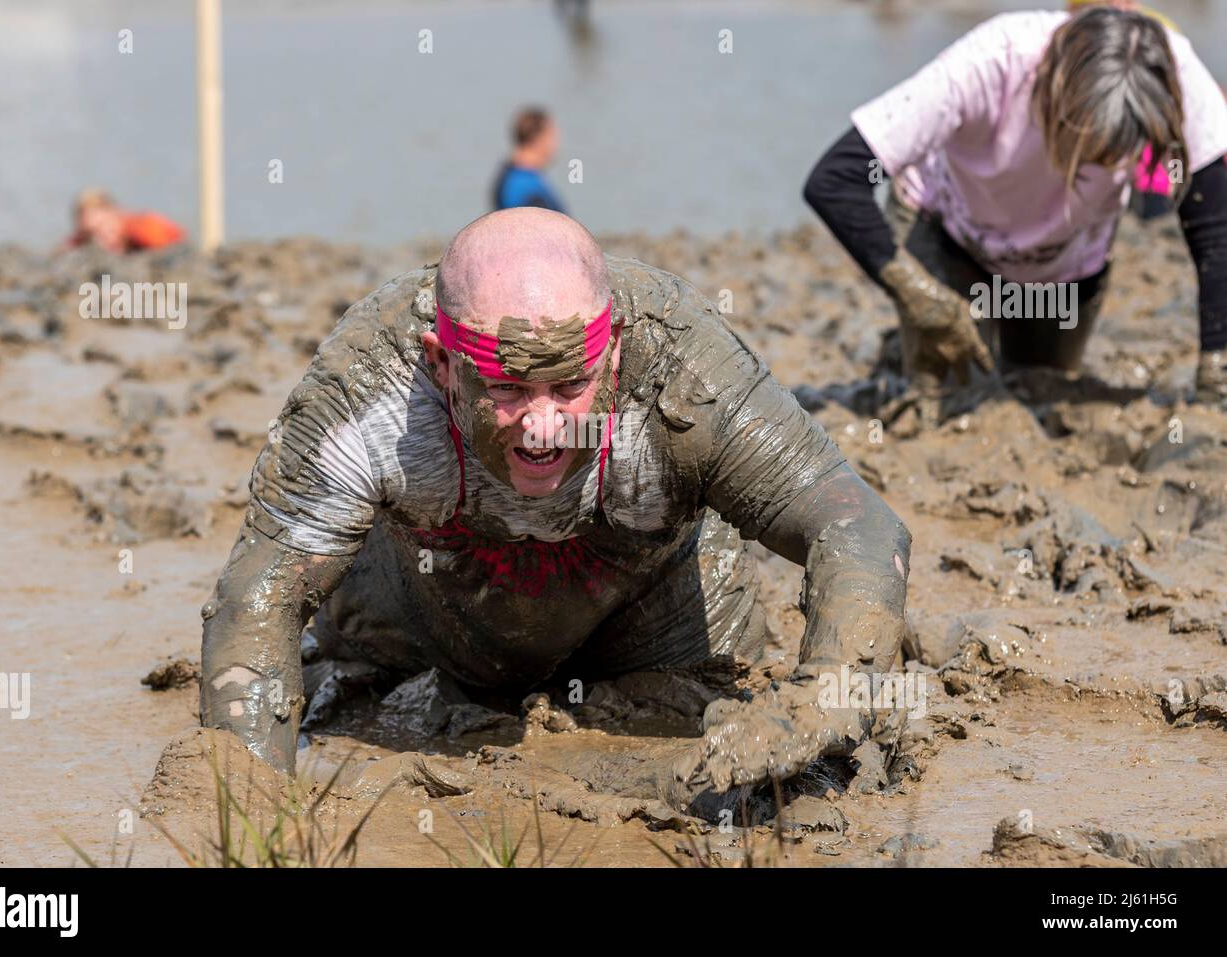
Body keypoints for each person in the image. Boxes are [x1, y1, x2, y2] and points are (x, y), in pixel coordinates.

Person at [199, 208, 911, 801]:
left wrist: (831, 692)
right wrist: (251, 805)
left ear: (613, 351)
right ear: (441, 365)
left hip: (654, 630)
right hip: (412, 629)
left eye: (569, 385)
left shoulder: (682, 366)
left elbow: (857, 524)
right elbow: (257, 597)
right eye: (505, 389)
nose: (543, 427)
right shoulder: (371, 388)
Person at [803, 6, 1227, 410]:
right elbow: (837, 181)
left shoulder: (1174, 74)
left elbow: (1215, 228)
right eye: (1087, 150)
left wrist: (1216, 371)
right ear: (1054, 89)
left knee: (1042, 390)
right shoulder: (993, 60)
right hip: (948, 230)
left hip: (1067, 261)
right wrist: (920, 296)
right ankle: (909, 344)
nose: (1100, 167)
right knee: (951, 403)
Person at [61, 189, 186, 253]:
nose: (101, 239)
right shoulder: (83, 242)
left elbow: (175, 247)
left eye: (104, 227)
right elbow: (66, 249)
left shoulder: (144, 231)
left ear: (116, 215)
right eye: (91, 234)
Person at [491, 108, 568, 213]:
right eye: (552, 138)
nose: (556, 146)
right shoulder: (520, 183)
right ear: (540, 139)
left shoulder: (512, 174)